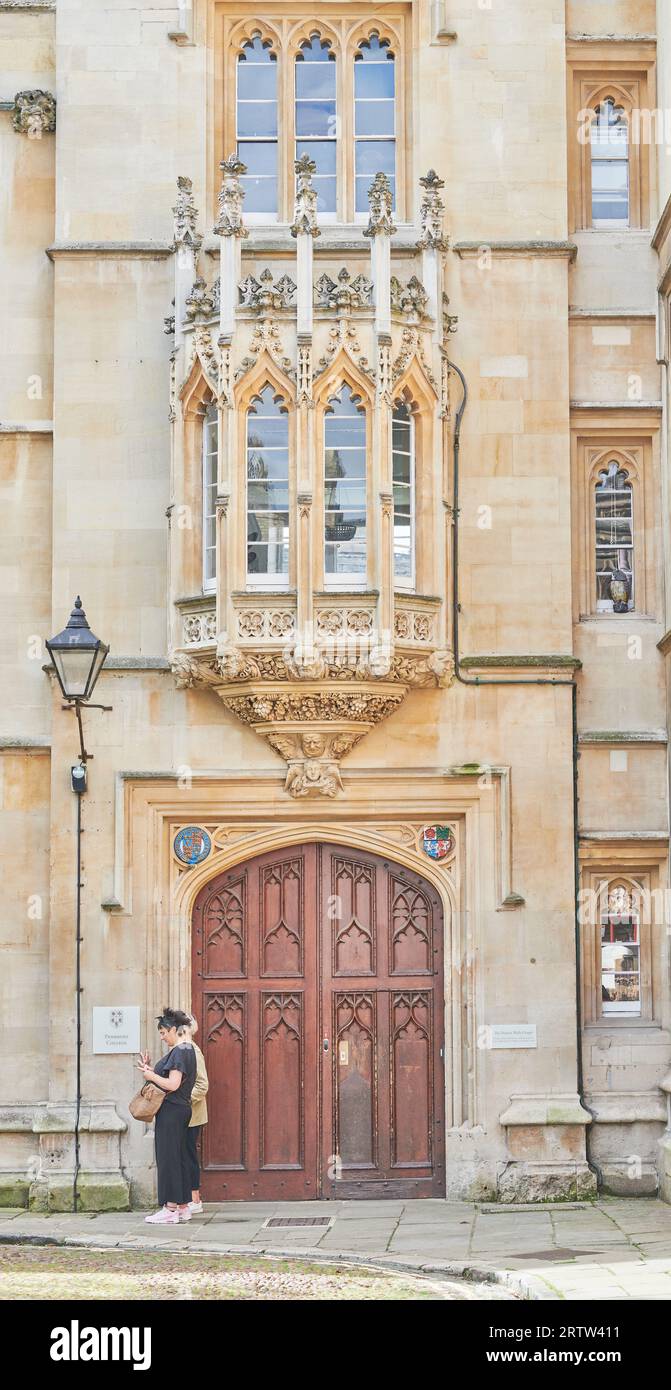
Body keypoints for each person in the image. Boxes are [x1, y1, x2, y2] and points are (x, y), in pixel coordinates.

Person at [138, 1006, 197, 1225]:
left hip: (172, 1111)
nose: (162, 1037)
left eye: (163, 1032)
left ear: (173, 1030)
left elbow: (173, 1084)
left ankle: (170, 1208)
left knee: (168, 1158)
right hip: (181, 1109)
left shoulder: (180, 1052)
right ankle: (182, 1207)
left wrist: (150, 1075)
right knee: (179, 1157)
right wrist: (150, 1070)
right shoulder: (187, 1050)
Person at [178, 1015, 209, 1214]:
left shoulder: (194, 1052)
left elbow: (202, 1085)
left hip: (192, 1114)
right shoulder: (182, 1051)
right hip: (184, 1113)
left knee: (188, 1154)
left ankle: (194, 1197)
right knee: (183, 1153)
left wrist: (183, 1099)